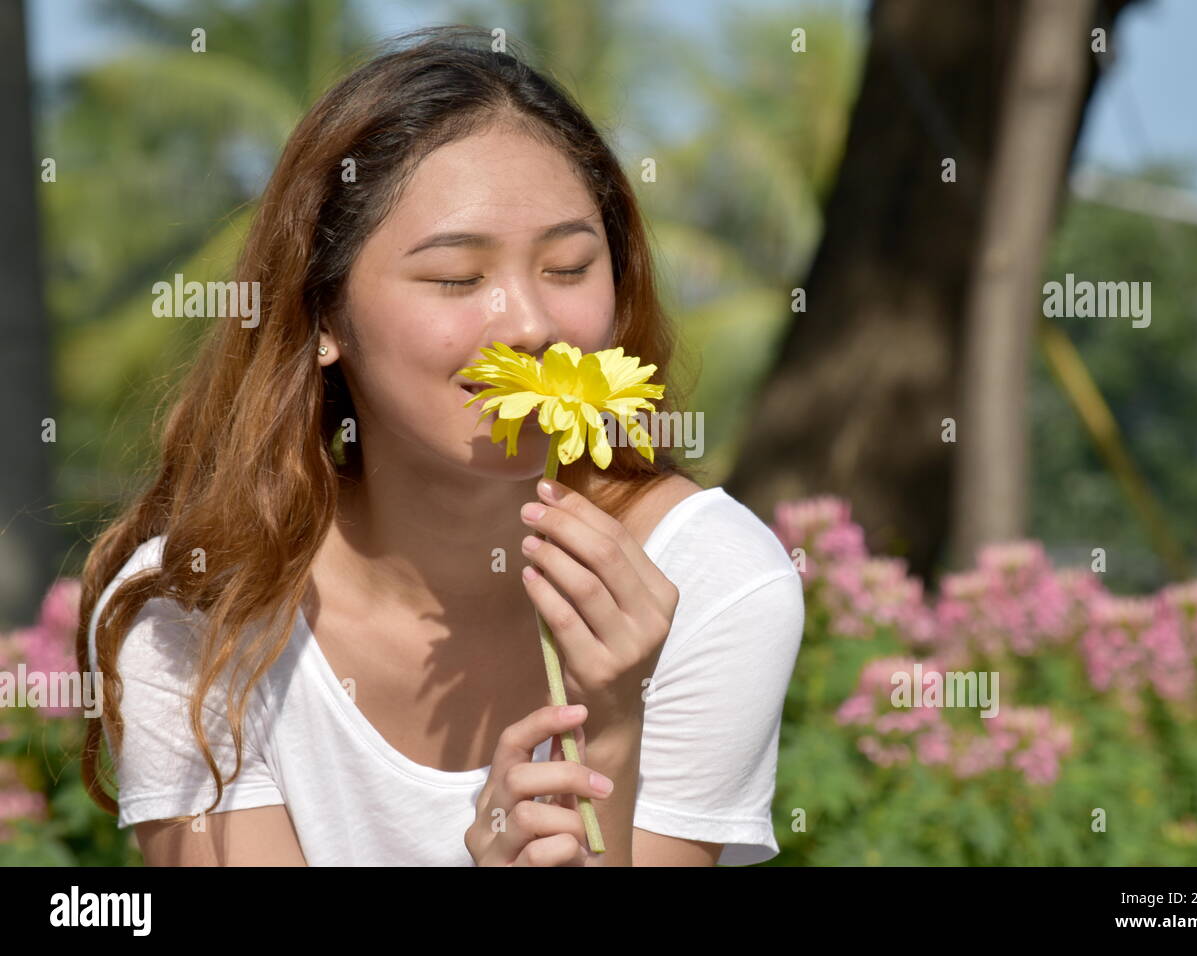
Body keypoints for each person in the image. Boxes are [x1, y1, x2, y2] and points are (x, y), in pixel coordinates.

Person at [77, 25, 804, 867]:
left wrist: (611, 731)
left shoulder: (715, 582)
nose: (532, 326)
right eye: (458, 278)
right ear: (321, 317)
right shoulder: (194, 613)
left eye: (569, 268)